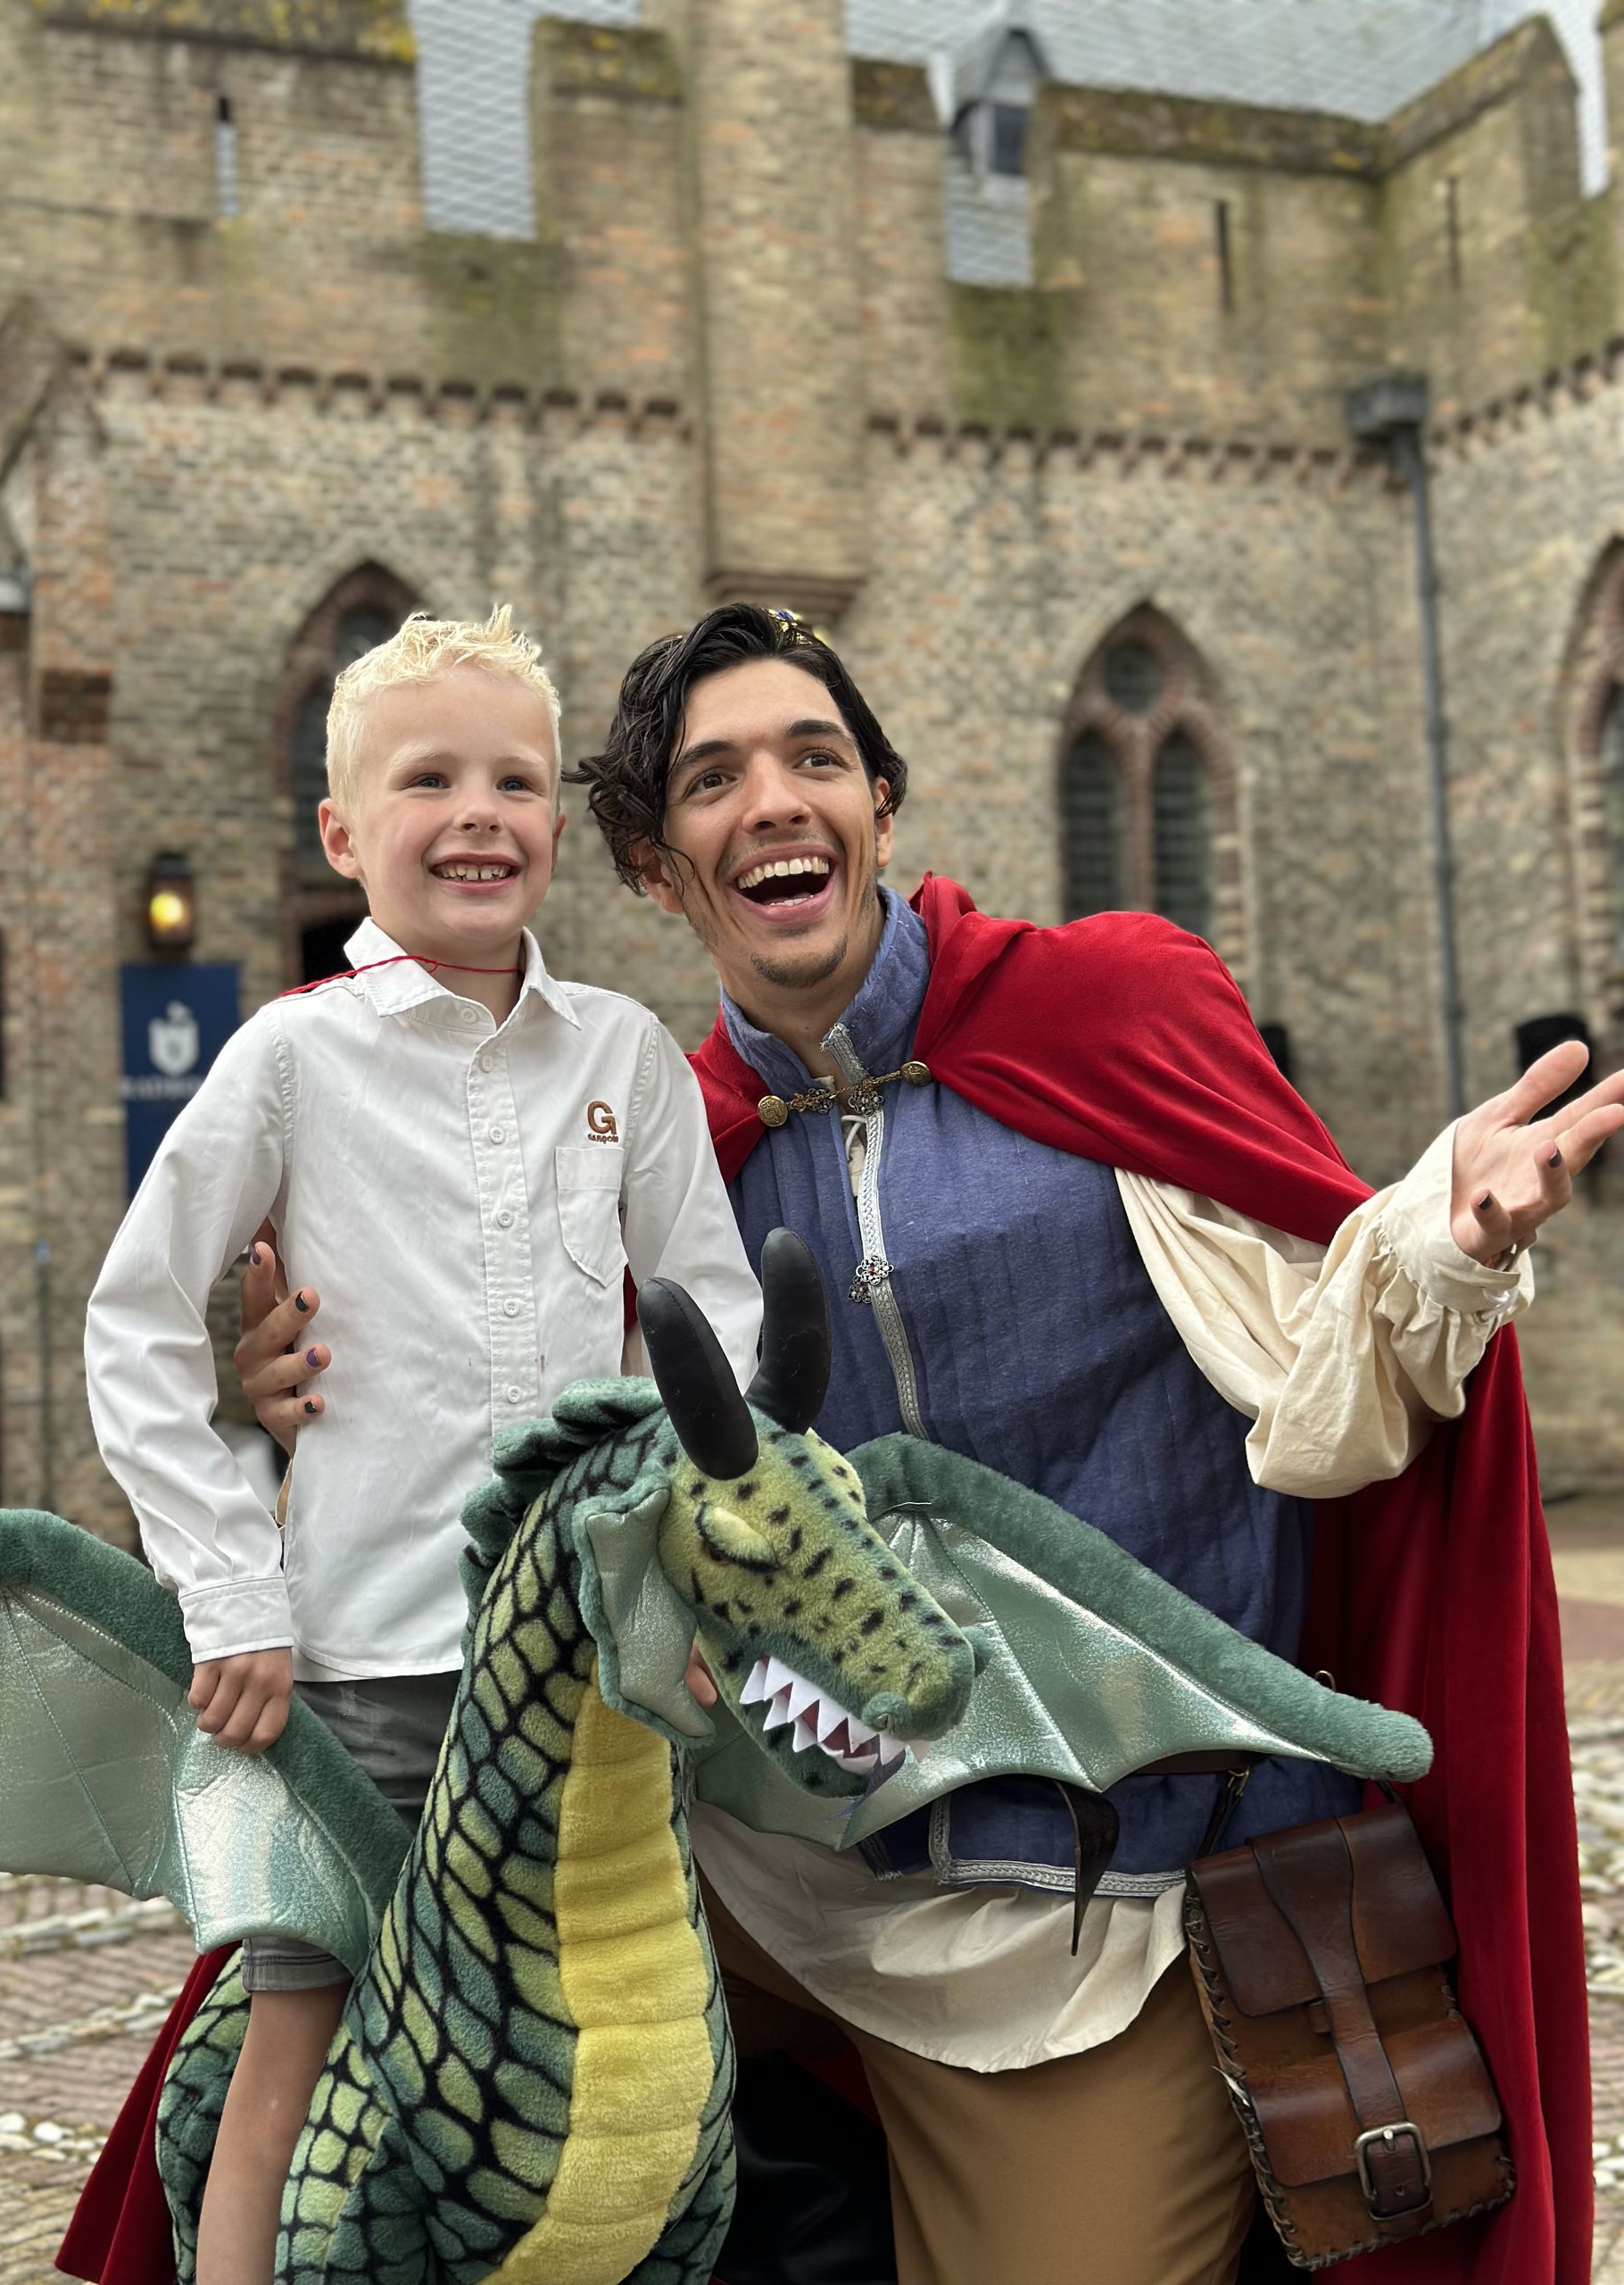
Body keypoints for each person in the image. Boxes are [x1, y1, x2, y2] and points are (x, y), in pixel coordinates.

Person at [233, 602, 1604, 2285]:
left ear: (883, 802)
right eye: (715, 778)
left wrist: (1437, 1246)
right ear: (659, 868)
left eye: (817, 758)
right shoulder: (657, 1142)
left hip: (1103, 1907)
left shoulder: (1113, 1008)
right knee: (392, 2073)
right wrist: (292, 1364)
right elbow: (526, 1439)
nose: (777, 802)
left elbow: (1331, 1383)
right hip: (773, 1876)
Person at [82, 610, 759, 2285]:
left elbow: (717, 1332)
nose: (480, 812)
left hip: (586, 1679)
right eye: (429, 777)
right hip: (356, 1661)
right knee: (293, 2054)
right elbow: (140, 1319)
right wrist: (233, 1588)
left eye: (517, 780)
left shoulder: (624, 1060)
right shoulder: (288, 1058)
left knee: (583, 2062)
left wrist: (699, 1557)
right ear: (339, 831)